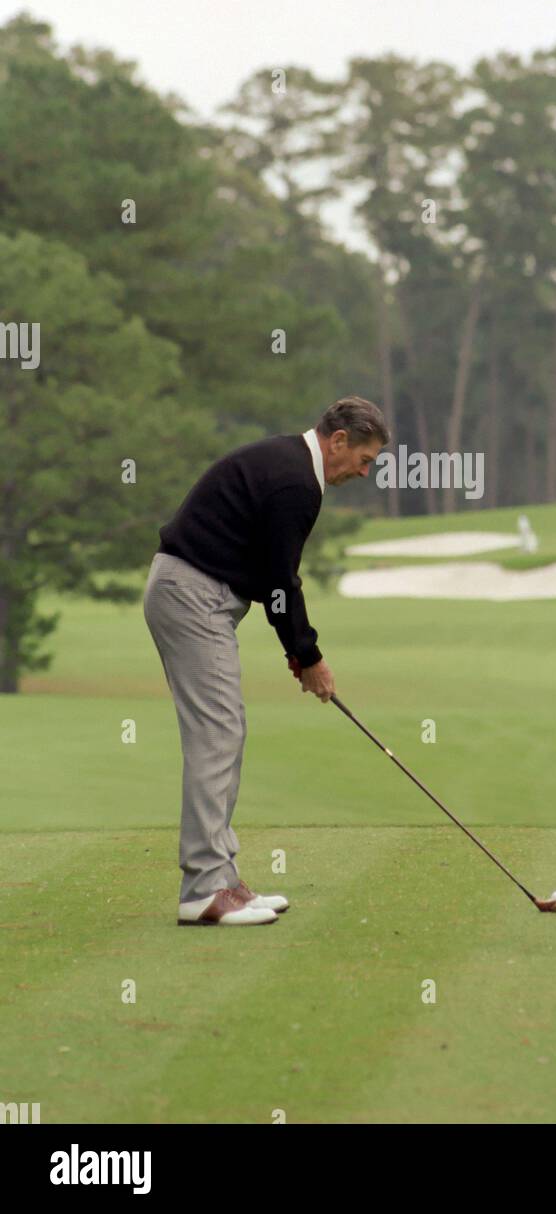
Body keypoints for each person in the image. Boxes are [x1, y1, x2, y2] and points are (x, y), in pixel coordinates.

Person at [143, 397, 389, 927]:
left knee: (225, 730)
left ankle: (223, 881)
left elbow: (267, 573)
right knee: (218, 732)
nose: (364, 472)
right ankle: (204, 890)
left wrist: (297, 652)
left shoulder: (289, 466)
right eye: (364, 459)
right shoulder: (297, 482)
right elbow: (281, 582)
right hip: (191, 594)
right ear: (339, 440)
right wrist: (308, 656)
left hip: (193, 592)